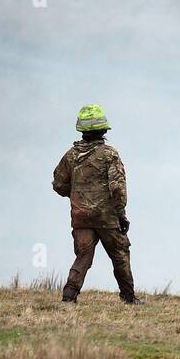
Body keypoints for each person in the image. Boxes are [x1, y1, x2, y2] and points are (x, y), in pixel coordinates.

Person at [51, 104, 141, 304]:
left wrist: (77, 196)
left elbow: (58, 184)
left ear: (81, 130)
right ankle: (128, 297)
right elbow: (117, 189)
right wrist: (121, 214)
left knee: (83, 256)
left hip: (81, 217)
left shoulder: (70, 155)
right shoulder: (110, 155)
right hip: (107, 218)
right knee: (120, 255)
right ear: (103, 129)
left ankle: (69, 295)